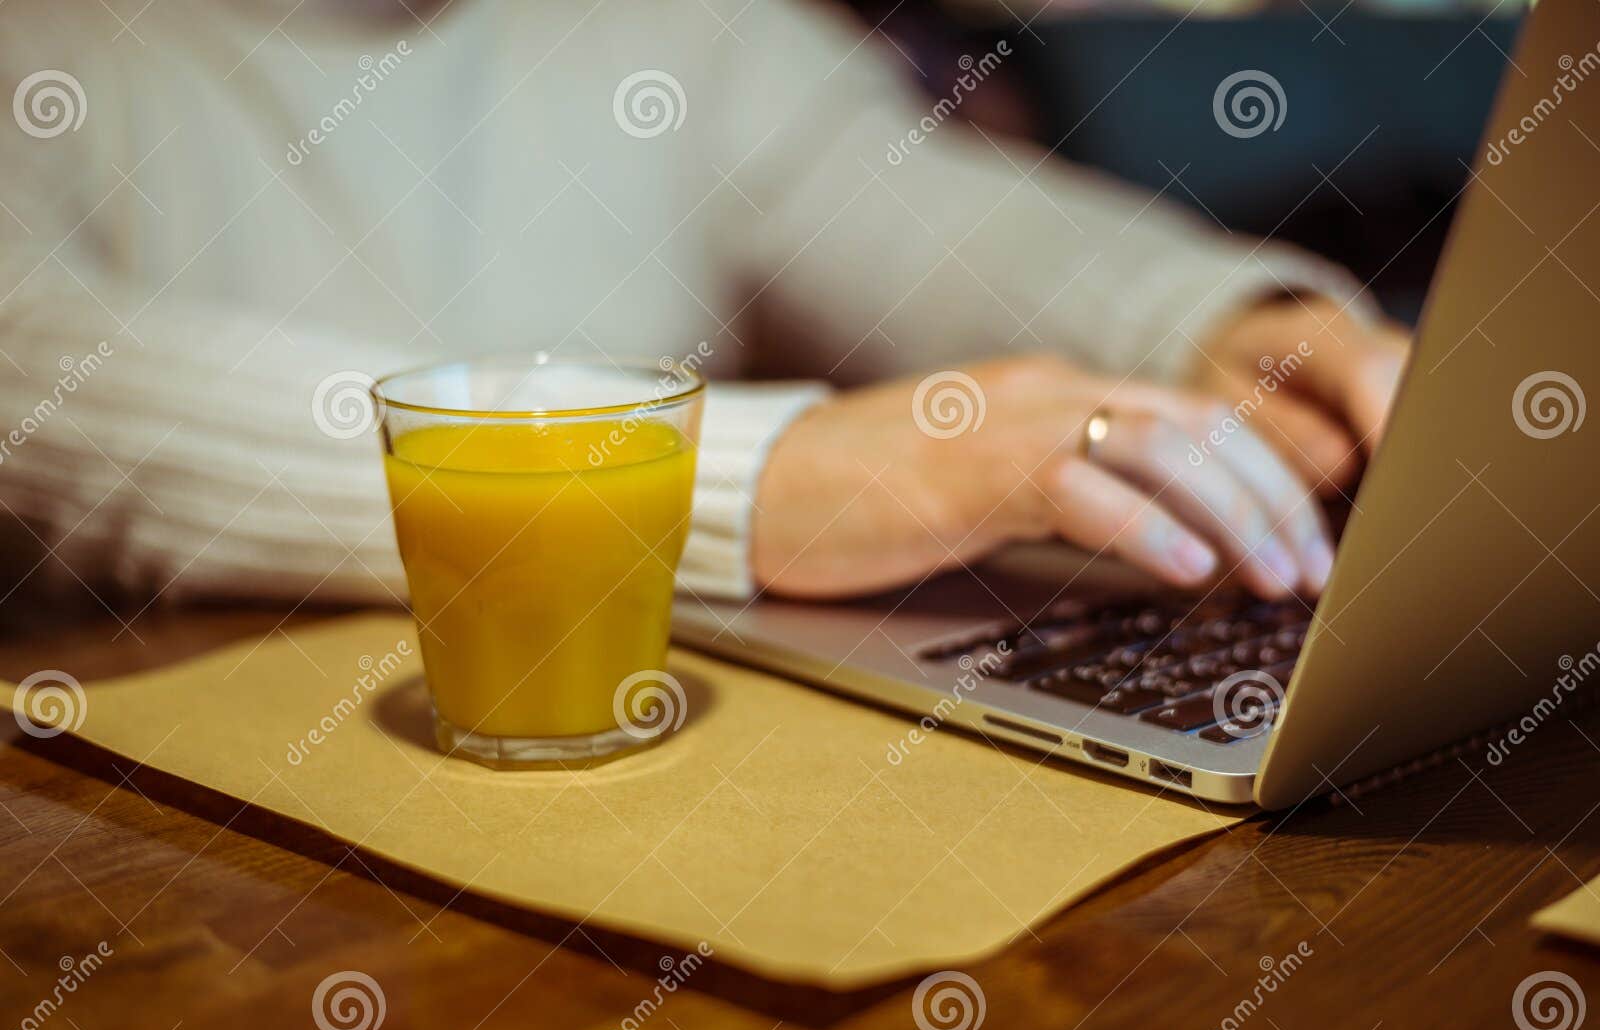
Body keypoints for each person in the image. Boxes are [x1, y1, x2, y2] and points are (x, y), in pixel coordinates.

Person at [0, 0, 1407, 614]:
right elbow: (40, 379)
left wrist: (1222, 328)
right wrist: (747, 476)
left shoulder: (679, 29)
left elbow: (912, 214)